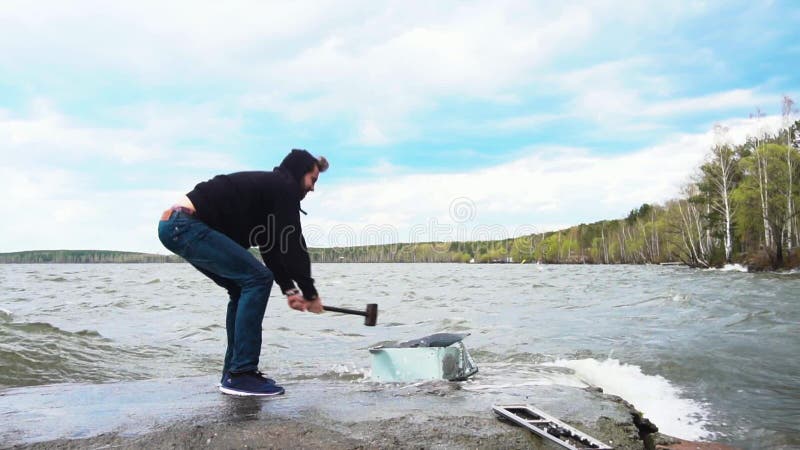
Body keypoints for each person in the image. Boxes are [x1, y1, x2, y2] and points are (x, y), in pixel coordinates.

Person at [157, 149, 327, 396]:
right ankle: (241, 374)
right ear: (300, 172)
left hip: (175, 225)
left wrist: (290, 290)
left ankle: (233, 373)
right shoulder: (283, 188)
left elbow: (271, 248)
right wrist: (310, 294)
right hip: (184, 224)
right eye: (313, 179)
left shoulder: (271, 193)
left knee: (242, 285)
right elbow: (294, 246)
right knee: (257, 279)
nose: (313, 188)